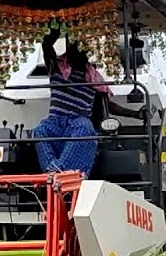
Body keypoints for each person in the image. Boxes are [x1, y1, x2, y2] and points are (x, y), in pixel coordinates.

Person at [31, 29, 111, 176]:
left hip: (77, 123)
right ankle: (53, 171)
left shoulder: (94, 78)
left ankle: (59, 173)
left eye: (79, 50)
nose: (75, 52)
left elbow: (108, 105)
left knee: (85, 128)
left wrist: (136, 113)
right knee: (40, 130)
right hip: (54, 124)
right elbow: (46, 46)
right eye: (72, 49)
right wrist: (57, 29)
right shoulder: (56, 68)